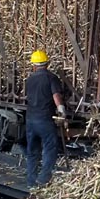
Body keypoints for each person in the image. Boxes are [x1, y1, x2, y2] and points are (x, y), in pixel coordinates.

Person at [25, 49, 66, 187]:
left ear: (34, 65)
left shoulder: (29, 80)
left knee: (32, 151)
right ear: (47, 64)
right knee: (50, 148)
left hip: (30, 120)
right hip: (45, 120)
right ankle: (43, 179)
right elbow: (56, 95)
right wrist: (61, 110)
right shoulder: (51, 78)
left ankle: (31, 181)